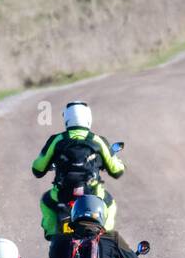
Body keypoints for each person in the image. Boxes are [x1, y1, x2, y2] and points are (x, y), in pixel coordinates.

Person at [32, 101, 125, 240]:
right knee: (110, 204)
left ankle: (54, 239)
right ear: (88, 118)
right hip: (93, 195)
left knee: (46, 201)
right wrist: (119, 163)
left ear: (67, 119)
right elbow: (116, 170)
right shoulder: (98, 140)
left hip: (62, 195)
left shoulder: (57, 140)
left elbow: (37, 169)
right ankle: (105, 239)